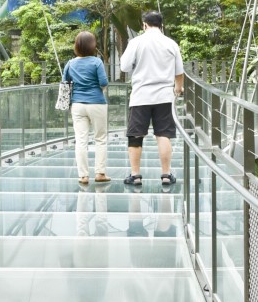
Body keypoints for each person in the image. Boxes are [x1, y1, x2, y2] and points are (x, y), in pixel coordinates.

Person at [119, 10, 185, 187]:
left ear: (144, 24)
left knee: (135, 136)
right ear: (161, 25)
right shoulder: (170, 43)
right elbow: (179, 72)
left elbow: (124, 67)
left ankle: (135, 175)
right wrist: (178, 88)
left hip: (141, 95)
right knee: (163, 134)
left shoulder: (136, 42)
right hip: (164, 95)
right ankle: (165, 174)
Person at [62, 30, 110, 185]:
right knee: (100, 138)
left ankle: (83, 176)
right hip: (96, 103)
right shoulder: (97, 62)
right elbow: (103, 82)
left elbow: (65, 83)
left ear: (76, 46)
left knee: (81, 140)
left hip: (77, 105)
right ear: (93, 45)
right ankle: (100, 173)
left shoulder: (70, 63)